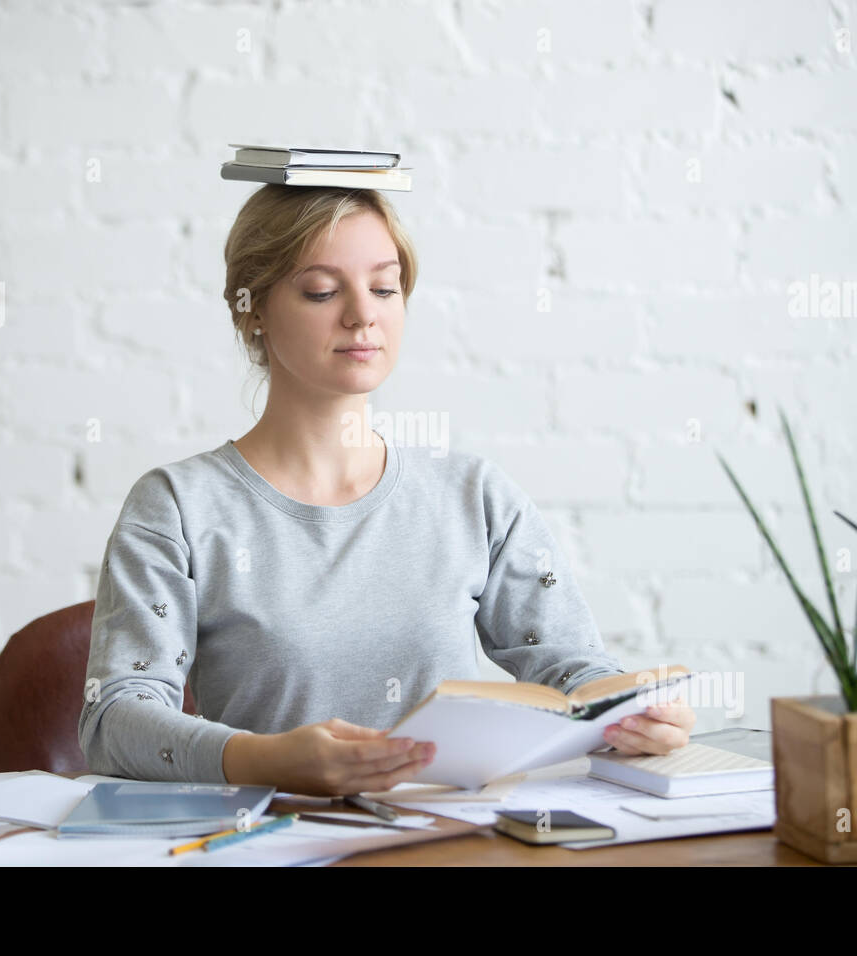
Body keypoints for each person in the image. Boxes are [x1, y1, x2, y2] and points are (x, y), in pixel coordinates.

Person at [78, 184, 695, 796]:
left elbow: (574, 671)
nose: (362, 314)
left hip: (454, 845)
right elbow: (113, 720)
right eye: (321, 290)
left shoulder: (473, 495)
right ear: (252, 309)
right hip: (274, 844)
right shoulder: (179, 506)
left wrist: (632, 714)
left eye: (383, 287)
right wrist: (264, 761)